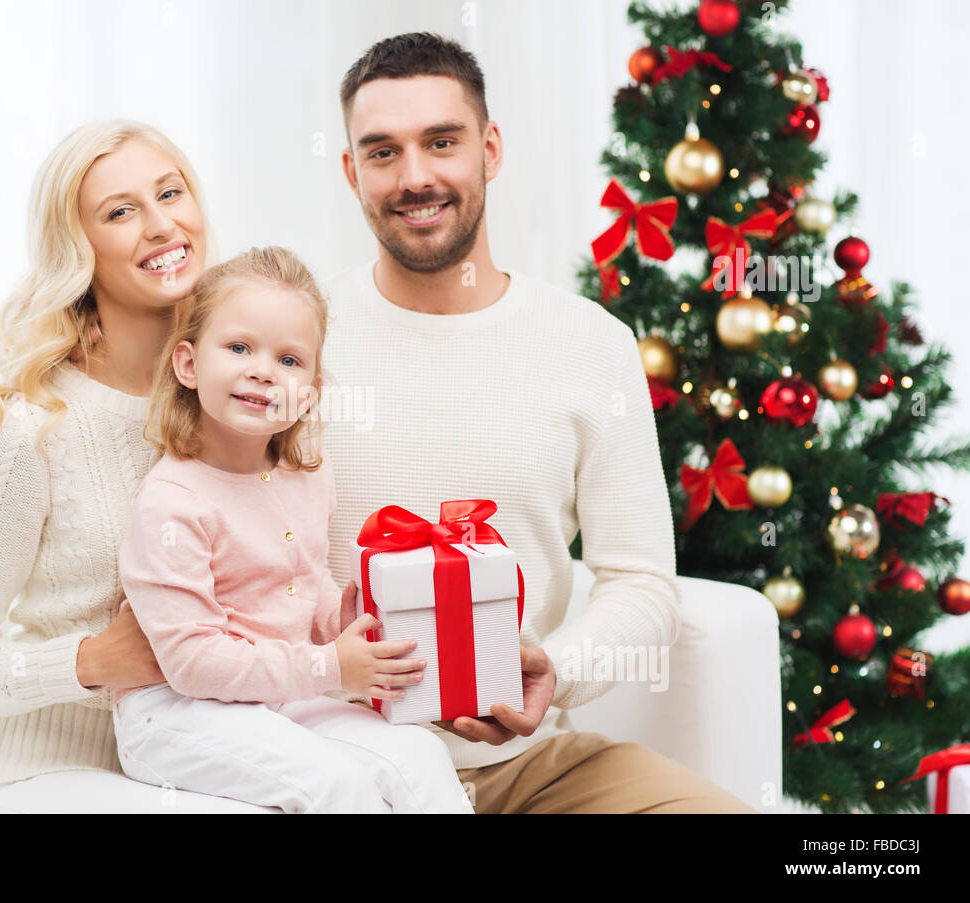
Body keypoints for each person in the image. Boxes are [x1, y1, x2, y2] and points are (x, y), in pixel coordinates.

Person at [319, 32, 759, 813]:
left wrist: (553, 666)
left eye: (442, 142)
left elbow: (641, 584)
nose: (415, 176)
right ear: (353, 172)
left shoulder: (590, 344)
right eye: (382, 152)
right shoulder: (293, 343)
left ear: (489, 148)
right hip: (334, 764)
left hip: (530, 768)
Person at [0, 120, 272, 813]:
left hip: (206, 760)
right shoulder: (33, 427)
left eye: (172, 193)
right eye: (121, 211)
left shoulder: (241, 410)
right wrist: (90, 661)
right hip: (45, 773)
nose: (162, 225)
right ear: (80, 250)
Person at [112, 246, 474, 814]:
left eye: (288, 360)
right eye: (238, 348)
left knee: (418, 756)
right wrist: (330, 666)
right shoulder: (173, 501)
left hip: (279, 692)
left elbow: (305, 596)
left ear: (311, 389)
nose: (262, 369)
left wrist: (352, 620)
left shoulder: (307, 476)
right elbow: (191, 662)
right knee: (334, 783)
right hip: (175, 711)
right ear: (188, 365)